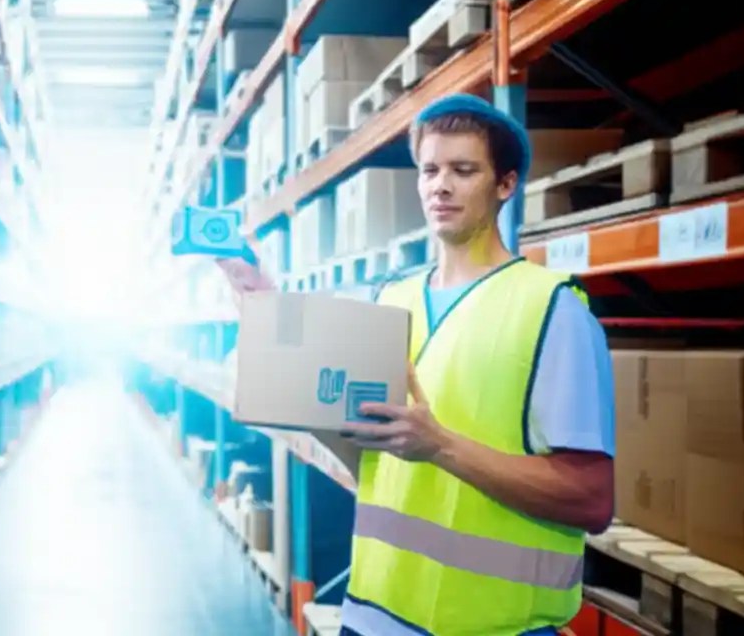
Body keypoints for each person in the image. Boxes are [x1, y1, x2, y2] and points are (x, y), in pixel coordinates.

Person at [219, 93, 615, 635]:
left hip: (491, 628)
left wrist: (443, 446)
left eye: (463, 170)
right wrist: (276, 333)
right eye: (429, 169)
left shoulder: (552, 310)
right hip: (373, 616)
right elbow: (372, 471)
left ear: (506, 184)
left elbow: (591, 499)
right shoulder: (392, 302)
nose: (440, 185)